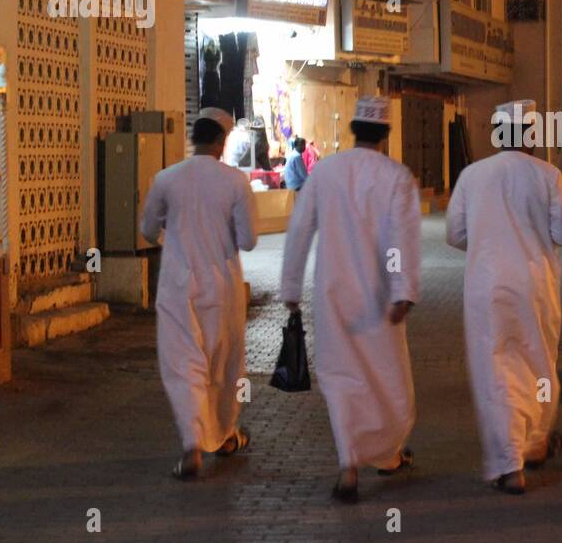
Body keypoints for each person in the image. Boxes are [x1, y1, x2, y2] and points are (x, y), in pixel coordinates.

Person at [280, 97, 421, 504]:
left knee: (341, 381)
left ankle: (349, 468)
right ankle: (387, 451)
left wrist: (291, 290)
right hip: (378, 301)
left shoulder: (325, 172)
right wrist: (402, 290)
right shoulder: (397, 177)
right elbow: (401, 240)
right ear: (386, 134)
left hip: (332, 296)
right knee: (386, 381)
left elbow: (300, 231)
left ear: (353, 130)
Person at [446, 99, 562, 495]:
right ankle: (534, 442)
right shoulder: (548, 175)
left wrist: (487, 239)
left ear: (496, 135)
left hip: (487, 288)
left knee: (497, 371)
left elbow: (455, 234)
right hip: (536, 286)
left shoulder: (473, 175)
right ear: (532, 135)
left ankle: (510, 465)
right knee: (538, 365)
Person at [140, 114, 259, 480]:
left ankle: (193, 445)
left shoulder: (166, 178)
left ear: (193, 141)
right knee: (223, 363)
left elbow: (147, 230)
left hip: (177, 284)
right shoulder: (236, 182)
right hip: (221, 284)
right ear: (222, 143)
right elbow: (248, 240)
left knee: (184, 364)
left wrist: (172, 238)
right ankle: (224, 435)